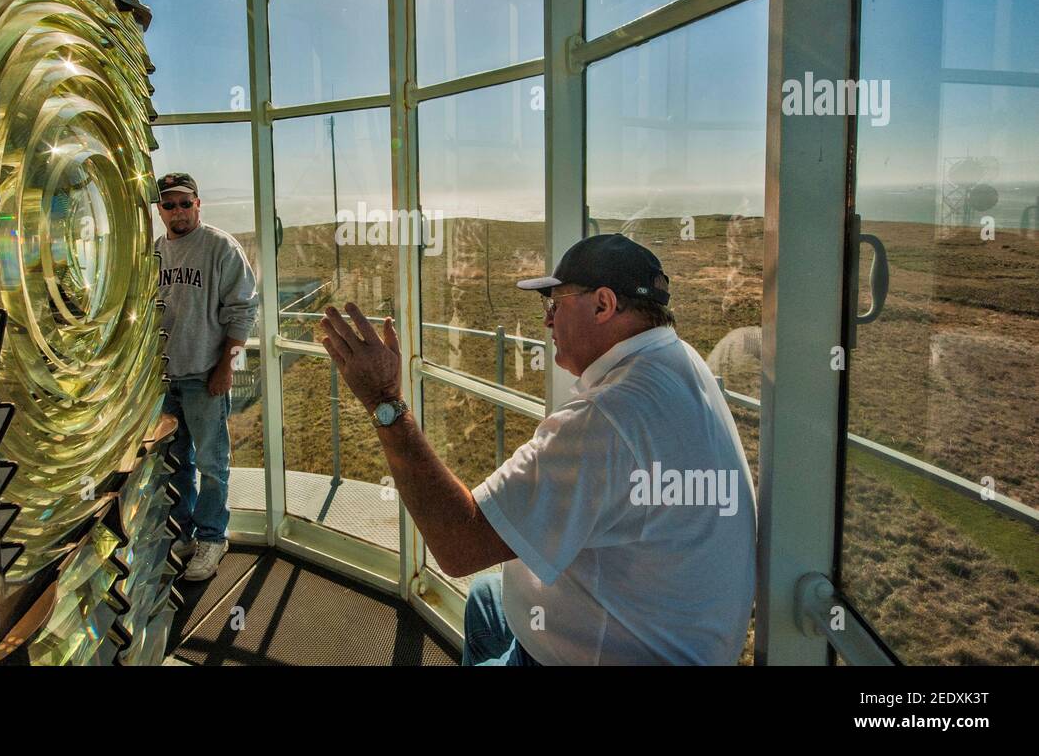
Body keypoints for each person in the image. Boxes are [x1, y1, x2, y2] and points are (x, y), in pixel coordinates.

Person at [319, 234, 756, 665]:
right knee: (486, 599)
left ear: (603, 304)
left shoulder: (609, 418)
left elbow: (458, 544)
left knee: (483, 595)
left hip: (611, 652)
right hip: (664, 632)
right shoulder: (679, 361)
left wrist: (383, 400)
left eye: (554, 304)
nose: (547, 321)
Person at [155, 172, 259, 582]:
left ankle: (213, 536)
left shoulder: (219, 247)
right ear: (159, 210)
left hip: (203, 376)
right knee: (176, 461)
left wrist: (225, 368)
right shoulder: (156, 250)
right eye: (169, 204)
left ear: (198, 204)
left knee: (213, 464)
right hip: (164, 378)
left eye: (185, 203)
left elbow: (243, 309)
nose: (177, 211)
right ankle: (184, 532)